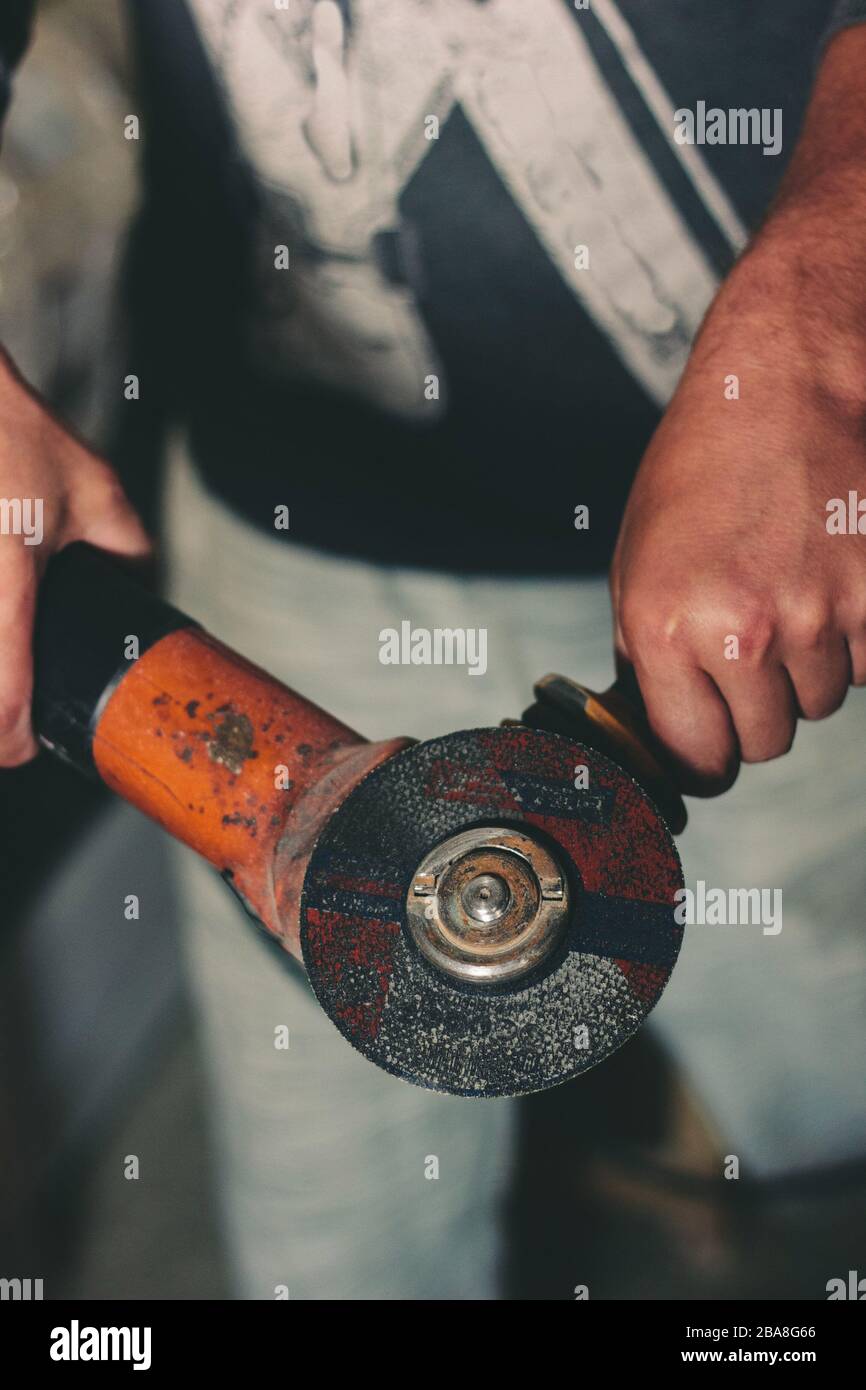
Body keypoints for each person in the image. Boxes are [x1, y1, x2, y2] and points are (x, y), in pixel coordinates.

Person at [1, 0, 866, 1299]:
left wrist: (826, 328)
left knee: (835, 1155)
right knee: (340, 1258)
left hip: (777, 560)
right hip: (282, 545)